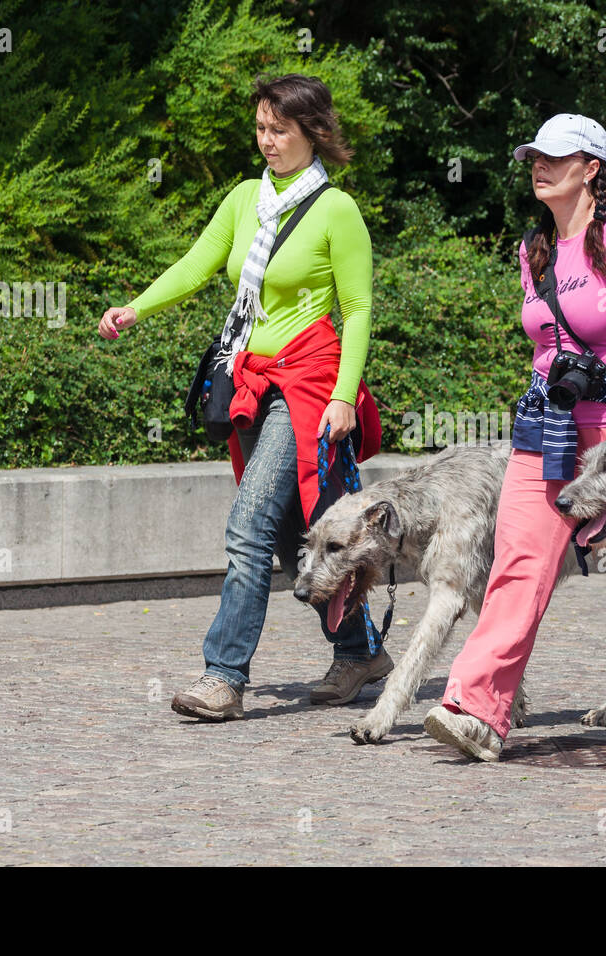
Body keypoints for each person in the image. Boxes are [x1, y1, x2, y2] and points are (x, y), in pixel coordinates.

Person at [423, 114, 606, 761]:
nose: (539, 166)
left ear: (591, 168)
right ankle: (475, 708)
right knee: (518, 566)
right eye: (534, 156)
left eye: (555, 158)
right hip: (548, 430)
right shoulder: (532, 246)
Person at [97, 74, 393, 720]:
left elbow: (360, 308)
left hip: (309, 383)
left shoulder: (335, 210)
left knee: (248, 524)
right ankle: (360, 651)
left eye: (279, 130)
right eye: (260, 128)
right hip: (252, 379)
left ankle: (223, 675)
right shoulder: (243, 200)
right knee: (294, 531)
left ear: (313, 132)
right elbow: (198, 264)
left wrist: (345, 395)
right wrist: (136, 308)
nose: (267, 141)